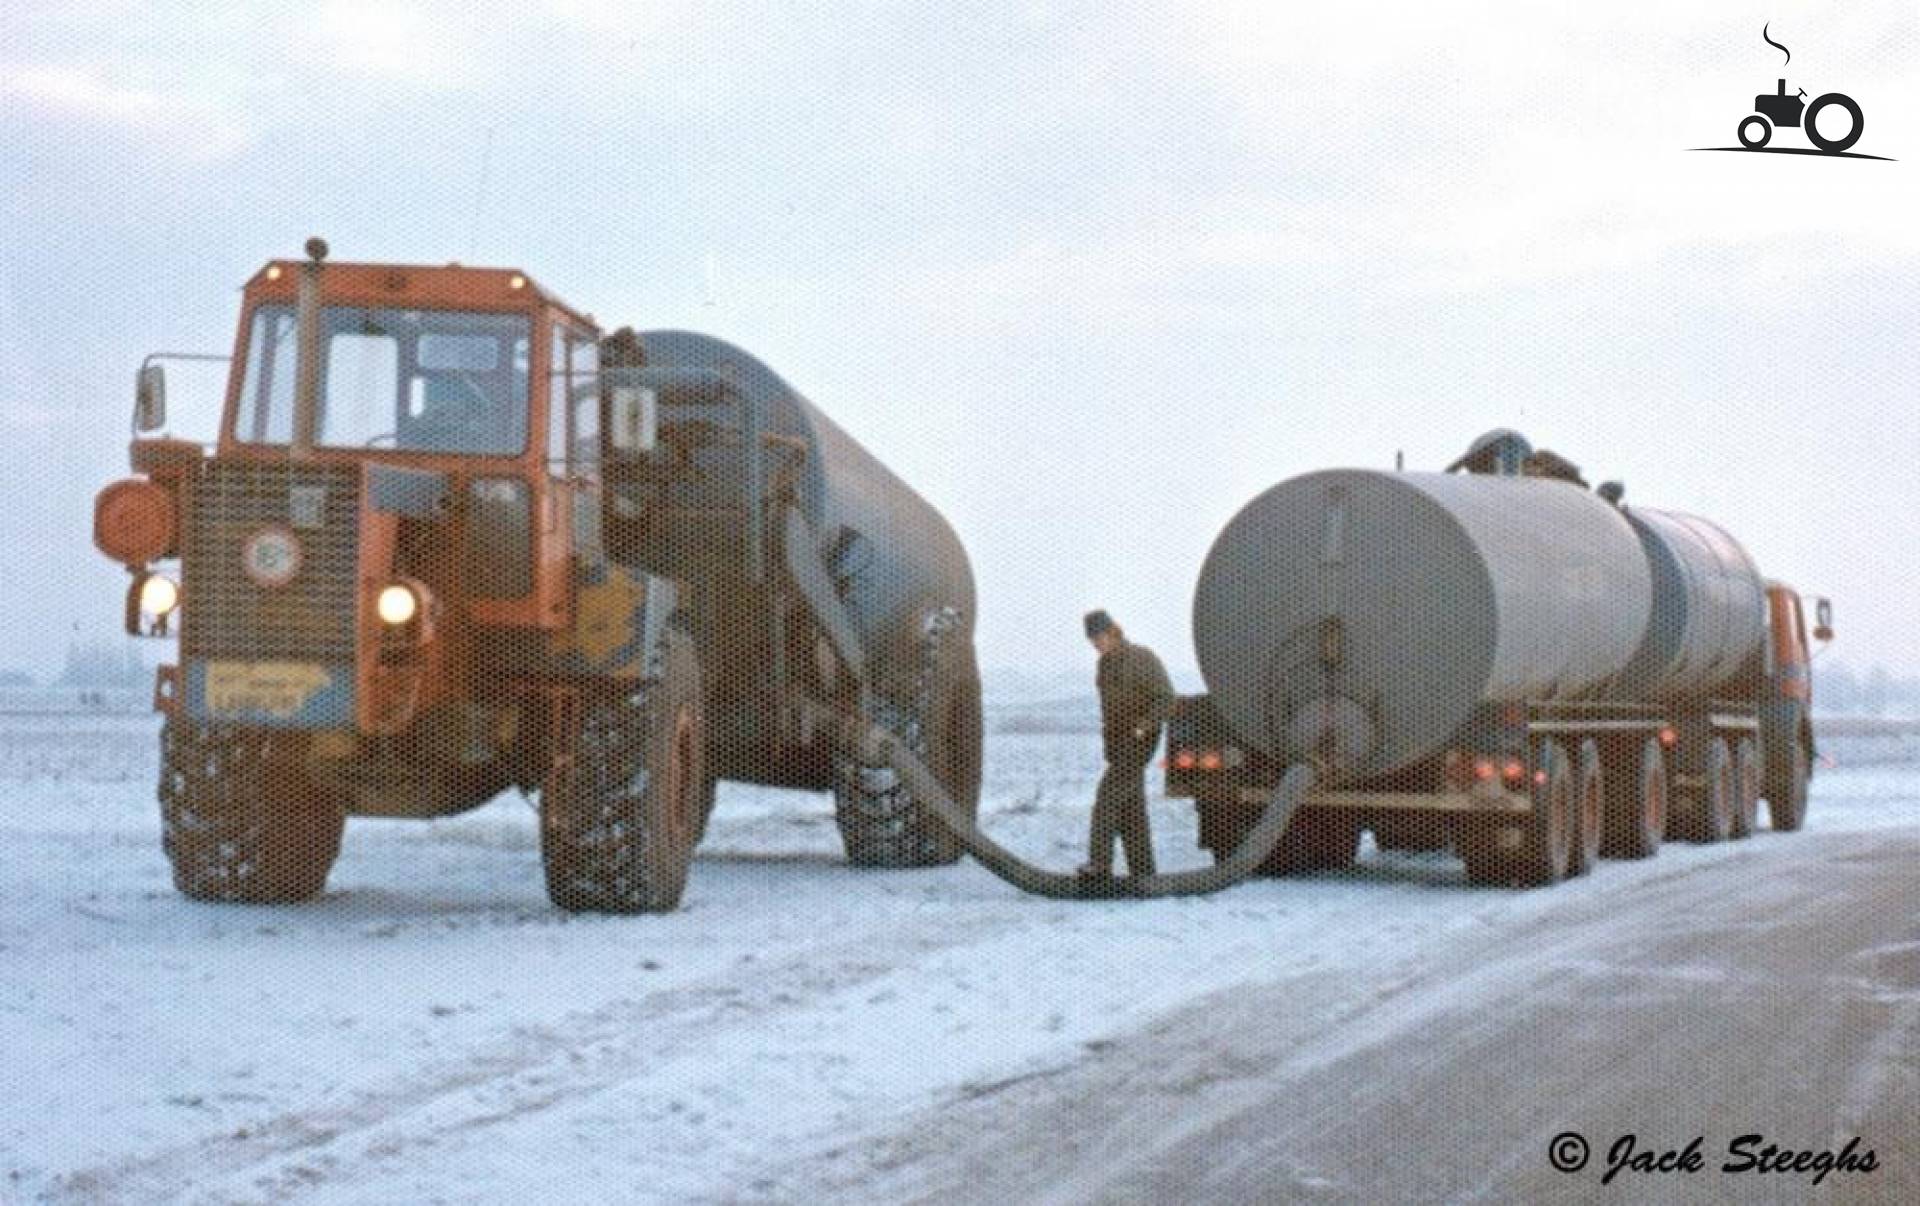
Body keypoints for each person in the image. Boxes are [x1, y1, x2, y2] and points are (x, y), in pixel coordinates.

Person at [1078, 610, 1174, 883]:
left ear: (1113, 632)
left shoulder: (1142, 658)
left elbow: (1167, 698)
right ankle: (1143, 873)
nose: (1096, 644)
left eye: (1099, 637)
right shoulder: (1104, 665)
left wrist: (1144, 725)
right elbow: (1108, 711)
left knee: (1107, 797)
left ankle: (1099, 864)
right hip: (1119, 744)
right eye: (1092, 640)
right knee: (1131, 808)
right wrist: (1110, 747)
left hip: (1141, 739)